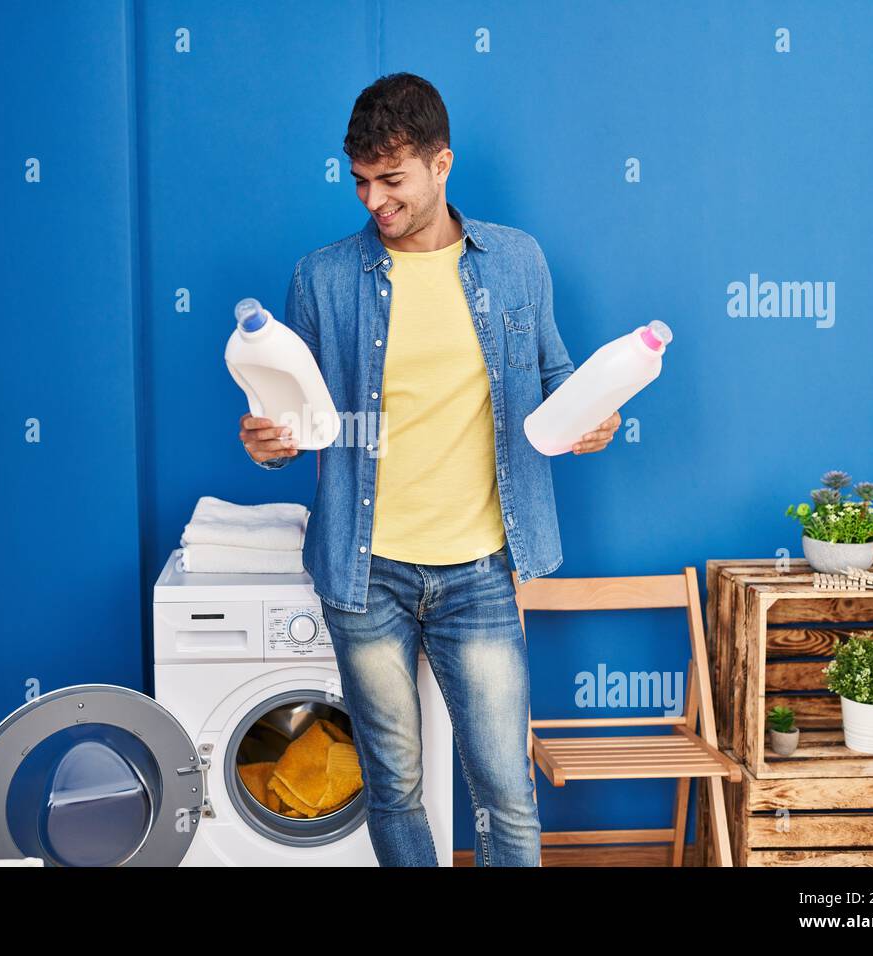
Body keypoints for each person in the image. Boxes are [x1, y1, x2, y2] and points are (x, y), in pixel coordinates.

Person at [239, 73, 620, 866]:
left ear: (441, 164)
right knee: (393, 785)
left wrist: (595, 417)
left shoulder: (516, 262)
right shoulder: (321, 278)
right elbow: (300, 417)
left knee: (505, 792)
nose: (375, 200)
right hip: (362, 570)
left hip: (479, 568)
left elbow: (559, 379)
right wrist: (270, 441)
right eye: (361, 182)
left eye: (393, 179)